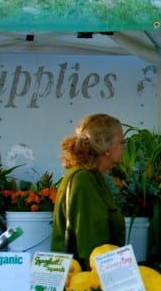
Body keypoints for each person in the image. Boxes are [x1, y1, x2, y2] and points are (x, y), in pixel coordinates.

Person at [51, 113, 126, 269]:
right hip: (82, 282)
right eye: (121, 142)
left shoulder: (93, 177)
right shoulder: (83, 180)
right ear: (107, 148)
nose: (124, 147)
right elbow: (90, 245)